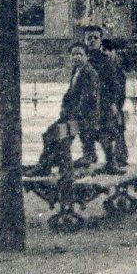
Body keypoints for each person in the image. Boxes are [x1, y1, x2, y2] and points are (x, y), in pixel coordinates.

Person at [35, 43, 102, 175]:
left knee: (57, 135)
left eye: (80, 54)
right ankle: (48, 164)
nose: (76, 57)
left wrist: (72, 115)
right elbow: (70, 94)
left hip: (84, 117)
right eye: (73, 54)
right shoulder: (76, 71)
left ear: (87, 56)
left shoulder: (90, 73)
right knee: (50, 134)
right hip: (73, 115)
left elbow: (87, 98)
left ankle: (50, 167)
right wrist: (64, 108)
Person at [82, 25, 129, 171]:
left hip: (104, 103)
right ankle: (89, 154)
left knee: (107, 128)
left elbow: (114, 84)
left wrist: (114, 103)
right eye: (89, 38)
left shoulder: (108, 61)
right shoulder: (81, 60)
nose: (92, 41)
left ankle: (115, 159)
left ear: (100, 40)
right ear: (84, 40)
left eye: (96, 38)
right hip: (87, 104)